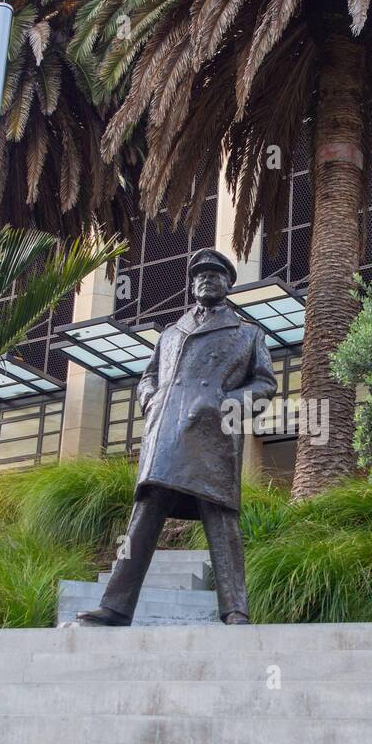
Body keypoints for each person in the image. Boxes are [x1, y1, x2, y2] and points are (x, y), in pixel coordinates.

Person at [77, 248, 277, 626]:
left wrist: (224, 403)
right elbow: (149, 377)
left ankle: (235, 610)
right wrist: (150, 400)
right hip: (166, 435)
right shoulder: (170, 334)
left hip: (211, 437)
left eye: (214, 275)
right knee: (145, 514)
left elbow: (265, 385)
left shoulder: (248, 334)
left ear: (227, 284)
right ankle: (117, 606)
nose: (205, 280)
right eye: (199, 275)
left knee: (221, 519)